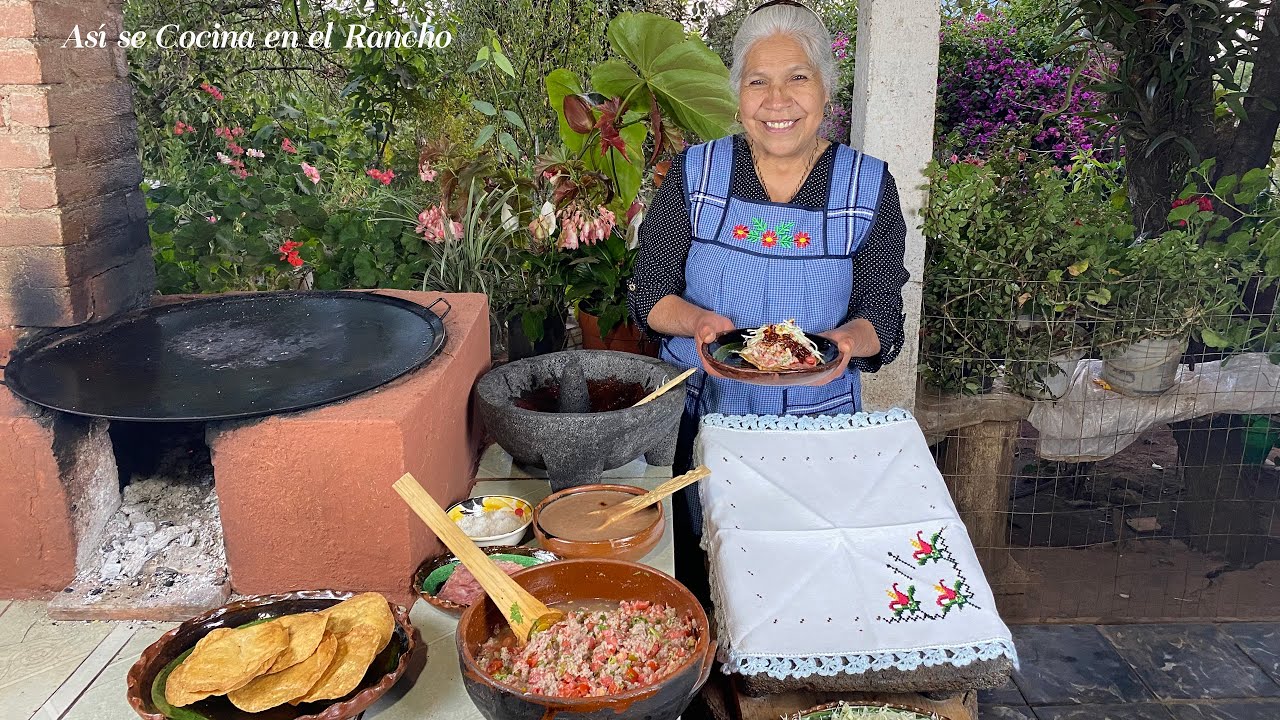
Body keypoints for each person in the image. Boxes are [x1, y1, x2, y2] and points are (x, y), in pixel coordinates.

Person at [626, 0, 910, 604]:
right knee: (707, 577)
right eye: (758, 81)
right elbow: (648, 294)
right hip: (702, 423)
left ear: (825, 91)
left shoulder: (868, 185)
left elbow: (883, 315)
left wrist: (846, 343)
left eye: (796, 78)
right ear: (738, 95)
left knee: (801, 581)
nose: (776, 100)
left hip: (818, 427)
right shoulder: (695, 175)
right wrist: (697, 321)